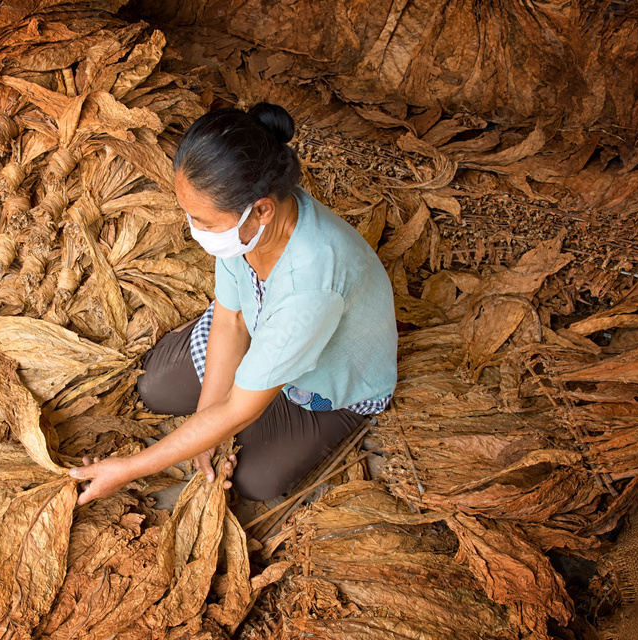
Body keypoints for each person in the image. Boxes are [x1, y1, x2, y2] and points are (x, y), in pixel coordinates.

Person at [70, 103, 397, 505]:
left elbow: (240, 408)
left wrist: (127, 469)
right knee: (155, 386)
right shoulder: (250, 230)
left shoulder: (310, 287)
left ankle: (297, 416)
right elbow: (230, 321)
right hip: (266, 333)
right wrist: (205, 427)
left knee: (253, 480)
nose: (196, 231)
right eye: (191, 215)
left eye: (205, 222)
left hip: (326, 381)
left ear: (260, 210)